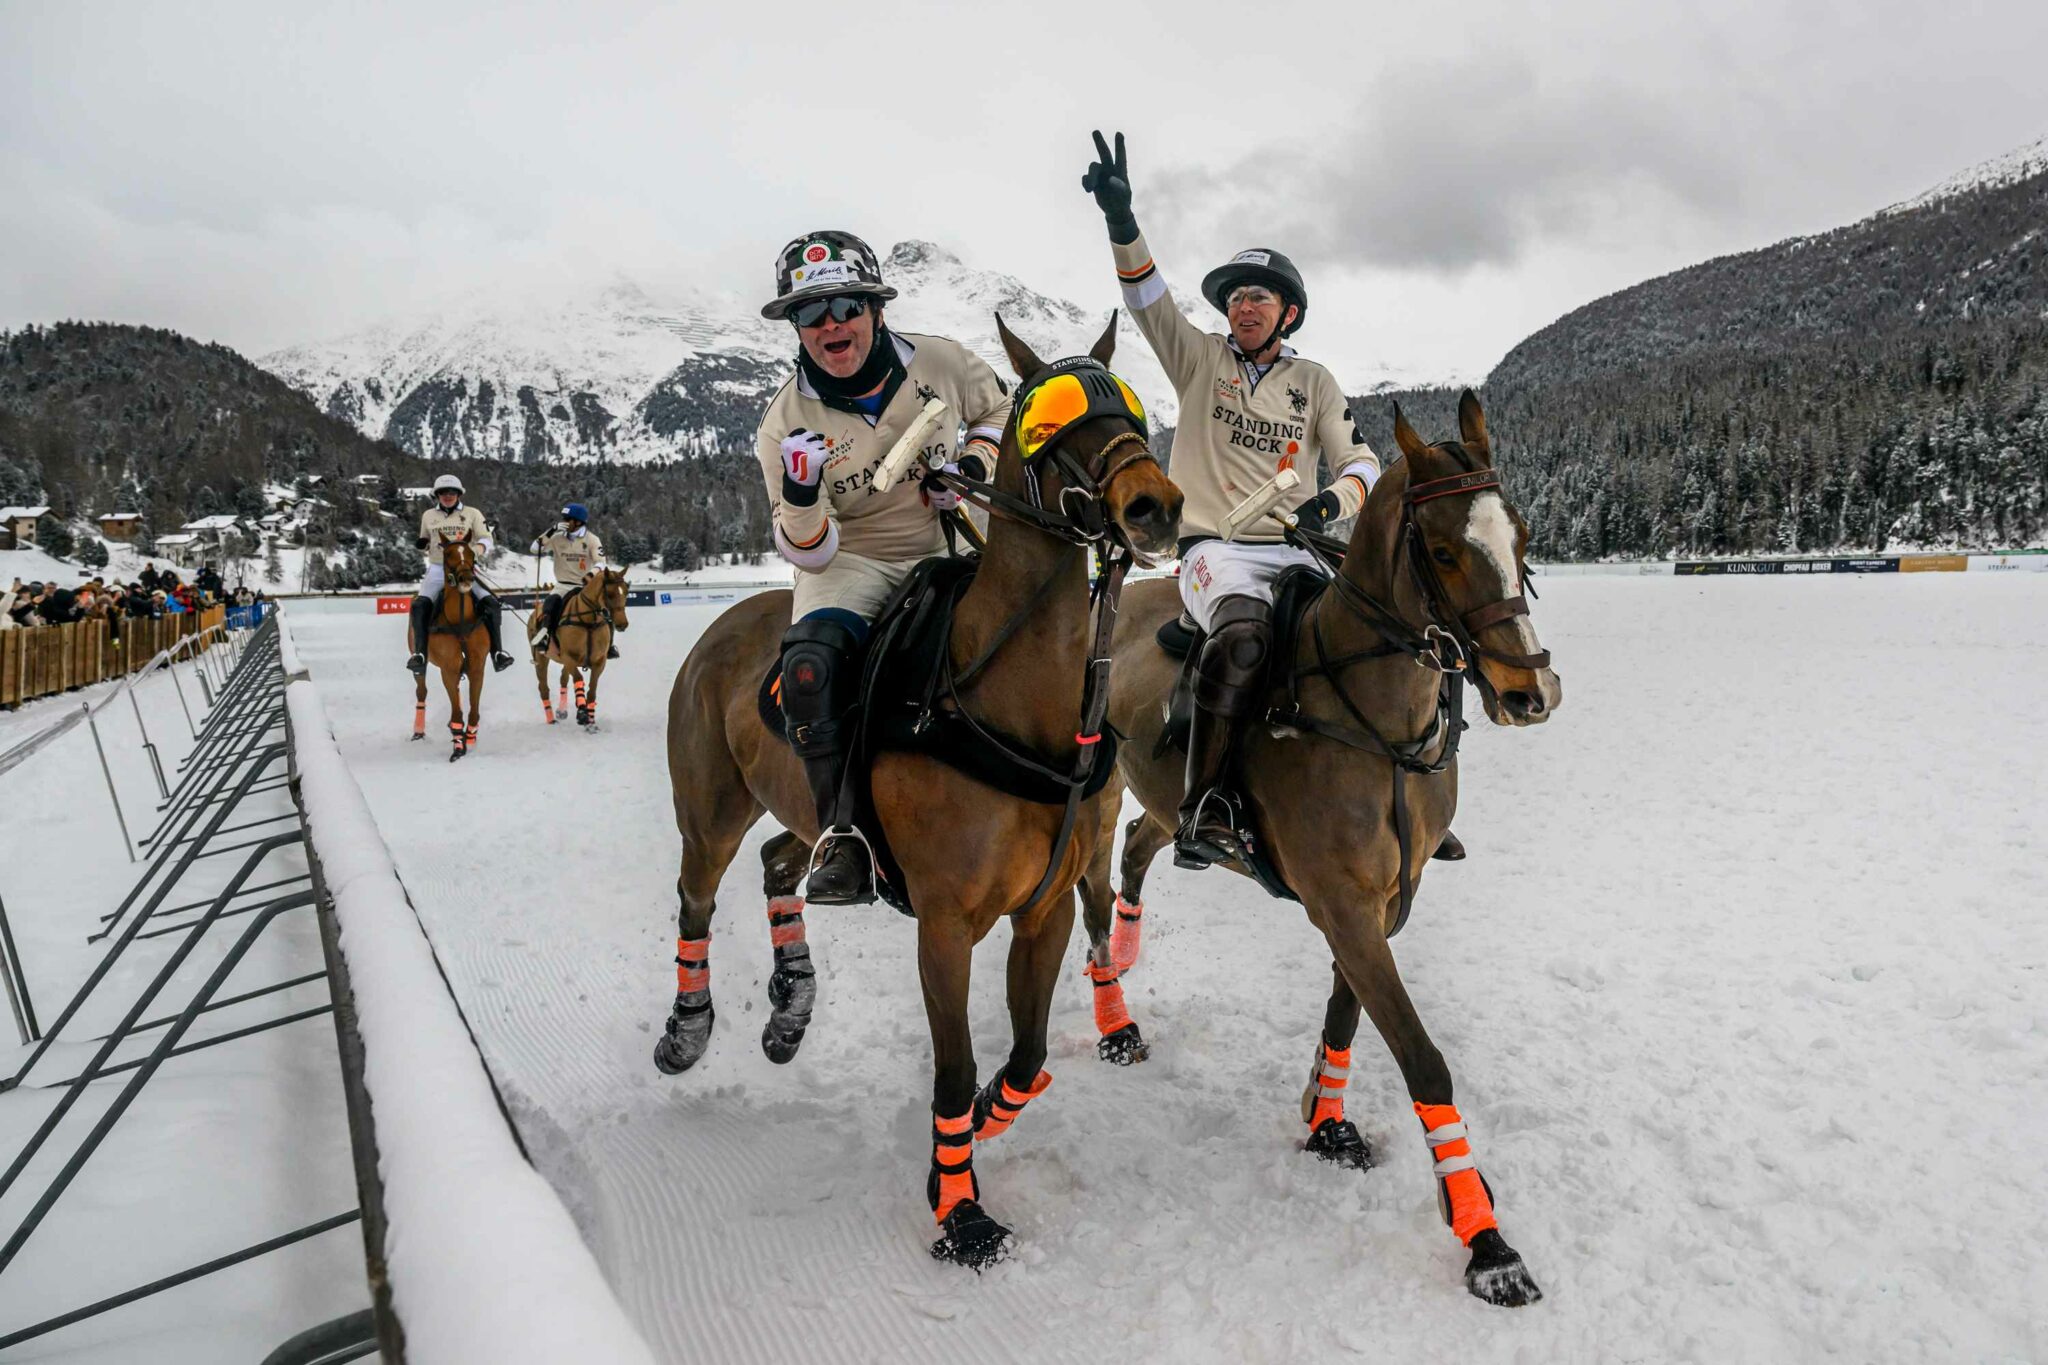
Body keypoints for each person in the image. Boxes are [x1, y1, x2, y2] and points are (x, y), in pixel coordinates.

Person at [1082, 130, 1404, 870]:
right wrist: (1122, 223)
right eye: (1234, 298)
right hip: (1213, 549)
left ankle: (1404, 790)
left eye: (1258, 296)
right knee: (1245, 637)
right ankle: (1208, 801)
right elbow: (1146, 299)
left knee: (1385, 633)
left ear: (1288, 312)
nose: (1243, 306)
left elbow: (1359, 459)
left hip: (1297, 548)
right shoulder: (1198, 357)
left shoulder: (1314, 382)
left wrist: (1335, 505)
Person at [754, 229, 1012, 903]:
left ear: (875, 310)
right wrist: (804, 494)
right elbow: (810, 549)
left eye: (845, 306)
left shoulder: (942, 362)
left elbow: (999, 409)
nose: (831, 324)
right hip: (856, 559)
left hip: (950, 539)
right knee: (809, 665)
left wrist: (974, 466)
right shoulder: (782, 423)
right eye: (811, 313)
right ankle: (843, 834)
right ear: (796, 328)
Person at [404, 473, 514, 674]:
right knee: (420, 605)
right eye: (443, 493)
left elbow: (486, 539)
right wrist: (423, 543)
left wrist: (476, 551)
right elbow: (425, 540)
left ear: (459, 494)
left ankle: (498, 653)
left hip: (465, 567)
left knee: (490, 602)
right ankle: (420, 654)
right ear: (437, 495)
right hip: (439, 568)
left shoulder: (472, 513)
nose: (448, 496)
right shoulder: (428, 515)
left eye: (452, 492)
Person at [528, 503, 618, 658]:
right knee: (550, 604)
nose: (565, 521)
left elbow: (600, 562)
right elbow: (535, 549)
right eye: (564, 518)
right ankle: (545, 636)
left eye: (568, 519)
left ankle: (609, 646)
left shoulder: (592, 539)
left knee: (606, 611)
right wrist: (552, 530)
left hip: (586, 587)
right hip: (563, 586)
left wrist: (592, 574)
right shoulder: (556, 538)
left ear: (578, 521)